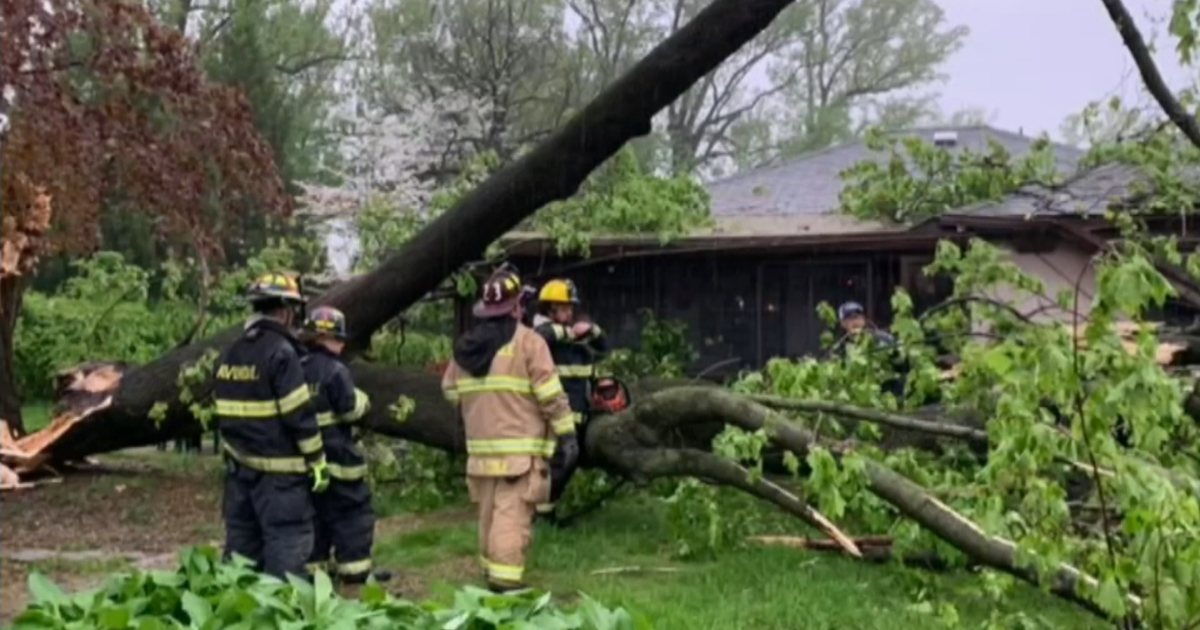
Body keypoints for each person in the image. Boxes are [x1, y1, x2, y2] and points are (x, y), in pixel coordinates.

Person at [441, 269, 578, 592]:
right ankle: (506, 585)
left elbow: (450, 391)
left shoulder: (465, 348)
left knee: (489, 516)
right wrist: (568, 436)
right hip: (519, 453)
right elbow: (550, 395)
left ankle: (491, 572)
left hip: (480, 454)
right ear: (516, 307)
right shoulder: (529, 342)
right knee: (512, 517)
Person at [213, 272, 329, 579]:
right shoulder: (282, 353)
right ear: (287, 311)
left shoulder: (232, 352)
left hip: (239, 477)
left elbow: (222, 413)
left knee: (241, 555)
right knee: (287, 549)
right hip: (281, 482)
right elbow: (299, 416)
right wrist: (317, 462)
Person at [299, 305, 391, 587]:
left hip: (307, 464)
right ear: (330, 339)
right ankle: (355, 572)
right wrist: (362, 399)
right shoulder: (336, 371)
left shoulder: (295, 368)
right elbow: (350, 410)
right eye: (339, 338)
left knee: (315, 517)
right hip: (339, 460)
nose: (342, 343)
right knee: (352, 515)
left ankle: (315, 573)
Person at [531, 278, 607, 520]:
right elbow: (541, 337)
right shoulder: (541, 334)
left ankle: (546, 510)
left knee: (571, 461)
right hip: (553, 417)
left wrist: (591, 330)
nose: (569, 313)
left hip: (580, 412)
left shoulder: (573, 337)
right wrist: (568, 332)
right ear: (548, 310)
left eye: (570, 308)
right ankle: (541, 513)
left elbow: (603, 345)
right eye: (563, 308)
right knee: (561, 461)